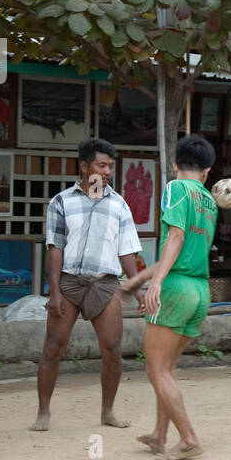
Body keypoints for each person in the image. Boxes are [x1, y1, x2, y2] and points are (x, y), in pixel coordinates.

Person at [32, 138, 144, 432]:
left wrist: (136, 285)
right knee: (53, 349)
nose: (107, 171)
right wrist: (54, 292)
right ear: (84, 166)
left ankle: (107, 411)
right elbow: (54, 248)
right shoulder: (61, 202)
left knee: (112, 350)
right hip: (68, 283)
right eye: (101, 165)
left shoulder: (119, 205)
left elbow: (127, 250)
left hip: (105, 285)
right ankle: (43, 412)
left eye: (110, 166)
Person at [119, 135, 219, 460]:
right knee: (167, 369)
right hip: (200, 291)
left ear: (174, 164)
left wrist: (156, 283)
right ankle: (160, 434)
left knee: (155, 370)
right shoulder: (208, 200)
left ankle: (188, 439)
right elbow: (181, 248)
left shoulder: (176, 189)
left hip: (175, 288)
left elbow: (174, 238)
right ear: (207, 170)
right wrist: (139, 278)